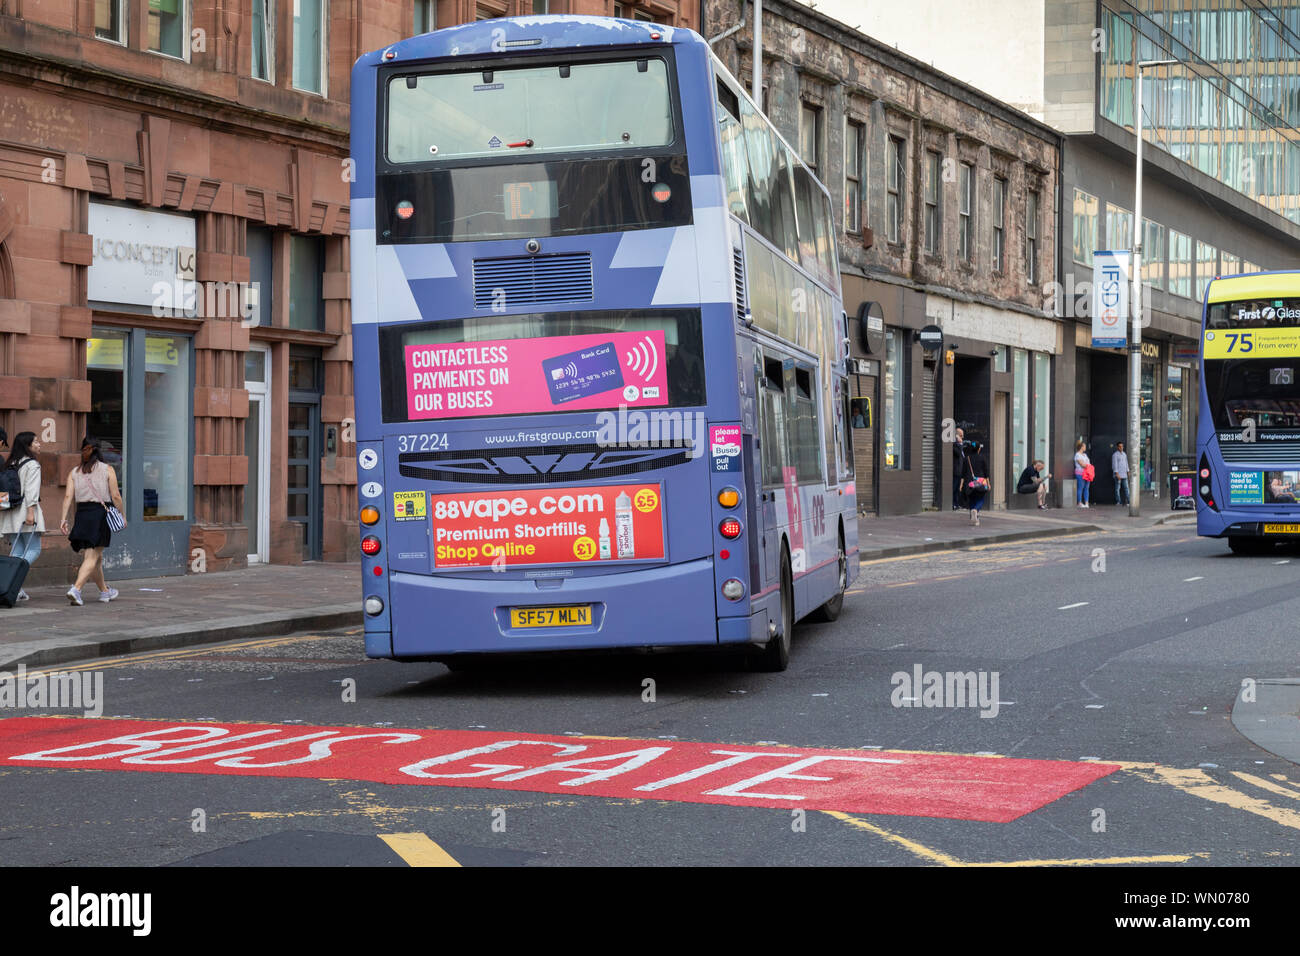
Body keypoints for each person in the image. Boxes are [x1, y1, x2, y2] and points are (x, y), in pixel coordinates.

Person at [58, 437, 126, 606]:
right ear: (98, 451)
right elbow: (116, 496)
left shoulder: (74, 472)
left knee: (96, 556)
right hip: (99, 515)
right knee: (92, 556)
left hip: (82, 514)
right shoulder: (107, 469)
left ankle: (104, 591)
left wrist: (63, 519)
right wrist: (122, 515)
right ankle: (76, 589)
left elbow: (68, 497)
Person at [0, 432, 43, 603]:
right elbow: (32, 491)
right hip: (25, 512)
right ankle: (12, 585)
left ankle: (13, 587)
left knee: (17, 551)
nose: (39, 444)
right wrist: (31, 513)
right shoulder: (32, 464)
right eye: (36, 441)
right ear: (28, 446)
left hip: (10, 512)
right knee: (34, 550)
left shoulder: (11, 463)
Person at [963, 440, 990, 526]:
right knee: (980, 499)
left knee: (972, 499)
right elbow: (986, 472)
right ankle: (976, 510)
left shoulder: (967, 458)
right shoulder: (982, 458)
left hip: (969, 483)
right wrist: (988, 484)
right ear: (979, 449)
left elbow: (963, 473)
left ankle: (975, 518)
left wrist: (961, 485)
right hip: (980, 482)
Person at [952, 427, 967, 511]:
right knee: (954, 488)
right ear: (956, 436)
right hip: (956, 470)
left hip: (960, 470)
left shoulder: (959, 445)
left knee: (958, 489)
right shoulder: (955, 445)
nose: (962, 438)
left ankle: (957, 504)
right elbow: (958, 454)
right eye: (961, 436)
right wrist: (960, 444)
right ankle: (954, 504)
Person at [1074, 439, 1092, 508]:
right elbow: (1082, 464)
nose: (1085, 447)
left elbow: (1087, 464)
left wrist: (1087, 465)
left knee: (1086, 488)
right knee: (1080, 488)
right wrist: (1088, 466)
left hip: (1087, 473)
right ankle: (1079, 503)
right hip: (1080, 473)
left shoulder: (1085, 455)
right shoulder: (1077, 455)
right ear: (1081, 447)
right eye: (1084, 446)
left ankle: (1086, 503)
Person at [1112, 442, 1130, 506]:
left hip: (1124, 474)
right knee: (1117, 489)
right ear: (1117, 447)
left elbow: (1126, 463)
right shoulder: (1115, 455)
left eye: (1122, 446)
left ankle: (1129, 502)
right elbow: (1114, 465)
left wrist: (1128, 471)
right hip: (1118, 475)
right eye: (1120, 446)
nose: (1121, 447)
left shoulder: (1124, 454)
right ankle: (1118, 502)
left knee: (1126, 488)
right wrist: (1117, 474)